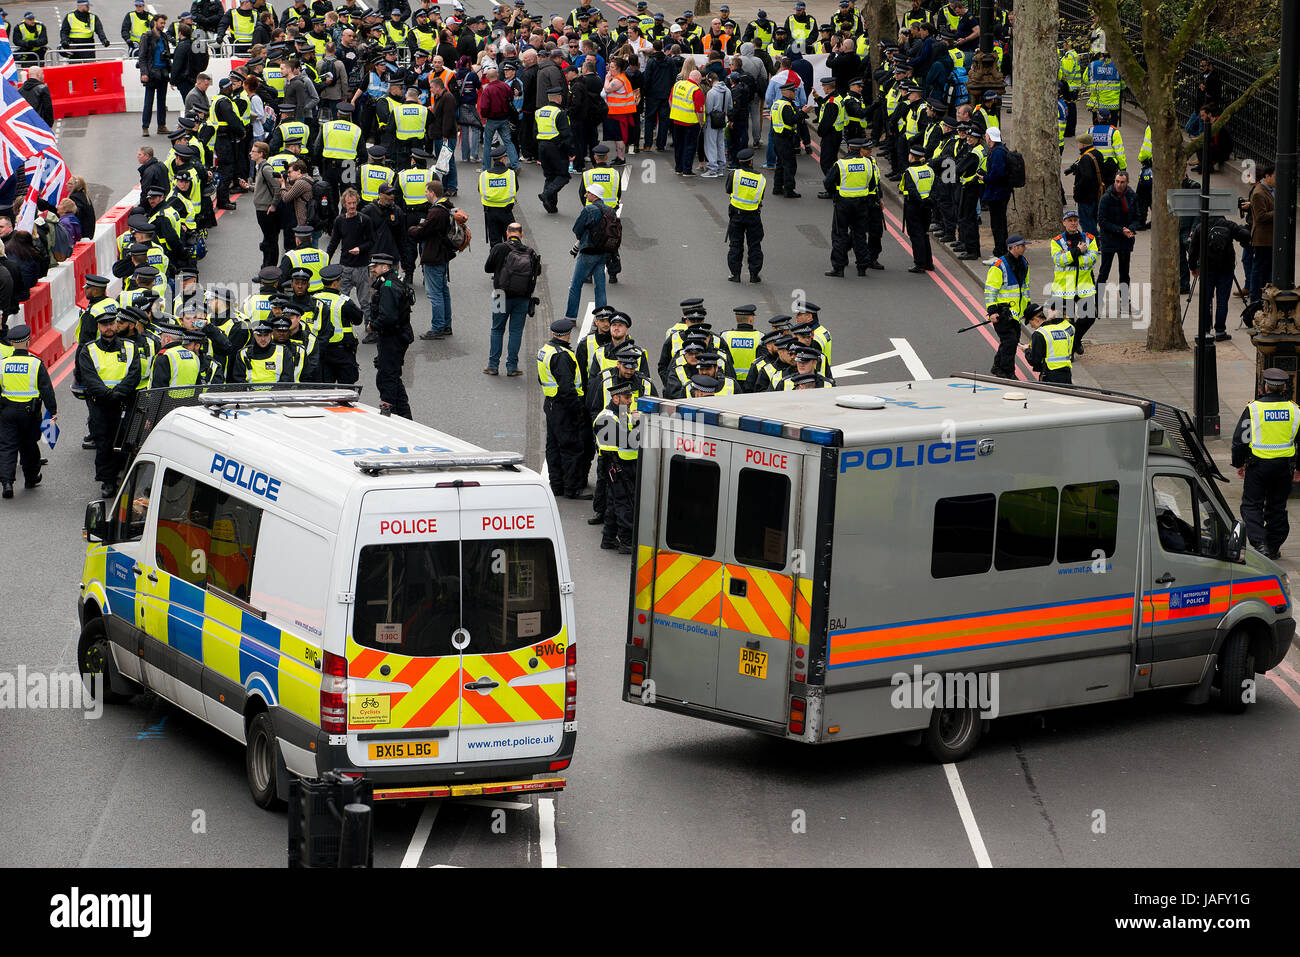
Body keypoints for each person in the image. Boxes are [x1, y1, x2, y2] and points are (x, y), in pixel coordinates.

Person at [1230, 368, 1298, 558]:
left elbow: (1240, 440)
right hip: (1283, 468)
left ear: (1265, 387)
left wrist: (1239, 464)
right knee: (1277, 507)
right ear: (1284, 387)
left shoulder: (1253, 408)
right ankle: (1273, 546)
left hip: (1257, 467)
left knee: (1251, 506)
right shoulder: (1295, 410)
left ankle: (1260, 544)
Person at [78, 311, 141, 499]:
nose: (108, 328)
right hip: (101, 404)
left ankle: (123, 474)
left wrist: (119, 393)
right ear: (99, 327)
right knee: (104, 442)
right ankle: (107, 480)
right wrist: (108, 394)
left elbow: (134, 373)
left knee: (124, 440)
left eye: (111, 323)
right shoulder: (88, 350)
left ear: (116, 324)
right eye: (104, 325)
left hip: (124, 402)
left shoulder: (130, 347)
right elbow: (89, 378)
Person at [0, 324, 56, 499]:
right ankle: (31, 478)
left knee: (7, 447)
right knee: (29, 445)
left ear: (12, 343)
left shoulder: (2, 364)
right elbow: (46, 389)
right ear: (27, 342)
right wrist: (52, 410)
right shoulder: (35, 363)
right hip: (29, 413)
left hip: (7, 412)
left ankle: (7, 483)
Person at [538, 317, 591, 499]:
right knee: (571, 447)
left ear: (554, 334)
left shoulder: (546, 351)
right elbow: (567, 387)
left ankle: (557, 485)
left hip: (551, 404)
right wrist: (577, 409)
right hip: (564, 406)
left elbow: (542, 378)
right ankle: (572, 488)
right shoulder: (562, 356)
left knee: (553, 446)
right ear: (568, 335)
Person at [483, 222, 540, 376]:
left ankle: (493, 365)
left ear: (507, 233)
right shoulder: (530, 252)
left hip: (500, 295)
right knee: (515, 332)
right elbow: (537, 271)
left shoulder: (499, 248)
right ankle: (512, 367)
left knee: (497, 329)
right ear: (521, 234)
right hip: (522, 298)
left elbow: (487, 268)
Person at [411, 180, 465, 341]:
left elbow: (423, 232)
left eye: (426, 191)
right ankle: (446, 325)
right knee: (443, 291)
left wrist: (412, 229)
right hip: (442, 255)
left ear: (432, 192)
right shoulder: (446, 207)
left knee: (435, 294)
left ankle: (438, 327)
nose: (425, 194)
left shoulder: (435, 211)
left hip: (433, 255)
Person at [1188, 212, 1252, 342]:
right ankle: (1220, 331)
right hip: (1226, 269)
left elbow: (1193, 250)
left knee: (1205, 299)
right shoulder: (1228, 225)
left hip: (1207, 269)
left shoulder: (1201, 227)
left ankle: (1205, 330)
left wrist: (1192, 267)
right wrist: (1244, 241)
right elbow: (1245, 235)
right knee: (1222, 301)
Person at [594, 377, 639, 552]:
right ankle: (627, 542)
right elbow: (629, 440)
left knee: (614, 503)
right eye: (627, 398)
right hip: (615, 466)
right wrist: (640, 425)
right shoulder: (606, 418)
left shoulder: (622, 414)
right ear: (616, 398)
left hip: (623, 465)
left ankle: (608, 538)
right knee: (625, 504)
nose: (630, 401)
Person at [366, 252, 414, 418]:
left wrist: (373, 325)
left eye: (375, 267)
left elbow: (388, 316)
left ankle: (388, 412)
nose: (373, 270)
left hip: (392, 337)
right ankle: (405, 416)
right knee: (392, 376)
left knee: (387, 377)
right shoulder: (393, 280)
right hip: (395, 336)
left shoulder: (387, 286)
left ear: (384, 267)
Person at [825, 138, 880, 277]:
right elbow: (873, 184)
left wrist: (836, 193)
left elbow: (828, 182)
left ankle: (839, 267)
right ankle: (862, 267)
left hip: (843, 204)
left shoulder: (841, 164)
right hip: (862, 204)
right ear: (859, 149)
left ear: (849, 148)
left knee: (839, 235)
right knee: (860, 235)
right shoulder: (868, 163)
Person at [1049, 210, 1099, 355]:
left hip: (1084, 286)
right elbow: (1059, 260)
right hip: (1064, 288)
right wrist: (1078, 251)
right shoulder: (1056, 241)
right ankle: (1068, 352)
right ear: (1064, 223)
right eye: (1070, 220)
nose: (1073, 223)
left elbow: (1093, 259)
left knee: (1089, 317)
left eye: (1075, 220)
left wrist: (1070, 256)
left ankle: (1075, 340)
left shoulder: (1089, 238)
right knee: (1066, 322)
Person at [983, 234, 1029, 379]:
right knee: (1010, 341)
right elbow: (990, 290)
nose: (1025, 248)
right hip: (1002, 312)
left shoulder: (1024, 262)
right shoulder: (998, 266)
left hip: (1016, 313)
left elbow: (1025, 288)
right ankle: (1009, 372)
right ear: (1014, 247)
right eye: (1022, 246)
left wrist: (1026, 309)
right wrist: (992, 312)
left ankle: (998, 367)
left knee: (1010, 341)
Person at [564, 185, 612, 321]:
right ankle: (602, 318)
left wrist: (582, 238)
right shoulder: (609, 210)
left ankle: (570, 317)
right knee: (600, 286)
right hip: (603, 252)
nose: (586, 195)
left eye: (589, 193)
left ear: (595, 195)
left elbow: (577, 228)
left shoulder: (589, 209)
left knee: (575, 285)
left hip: (588, 251)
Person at [1096, 170, 1139, 316]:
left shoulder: (1132, 196)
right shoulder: (1107, 197)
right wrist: (1121, 230)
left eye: (1122, 182)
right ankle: (1097, 302)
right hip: (1109, 239)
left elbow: (1137, 217)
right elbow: (1102, 221)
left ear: (1127, 183)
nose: (1119, 184)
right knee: (1104, 272)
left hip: (1125, 240)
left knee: (1124, 273)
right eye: (1117, 181)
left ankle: (1125, 301)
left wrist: (1131, 229)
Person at [314, 265, 364, 384]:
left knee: (325, 390)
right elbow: (358, 320)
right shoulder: (343, 302)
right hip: (342, 351)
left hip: (322, 350)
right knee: (346, 389)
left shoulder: (314, 299)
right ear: (335, 283)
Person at [724, 148, 765, 284]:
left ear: (740, 162)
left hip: (736, 215)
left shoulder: (734, 174)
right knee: (754, 245)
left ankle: (735, 275)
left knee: (735, 245)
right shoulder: (761, 179)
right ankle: (754, 275)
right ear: (751, 161)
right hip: (753, 215)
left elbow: (728, 190)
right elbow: (761, 197)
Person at [535, 85, 573, 213]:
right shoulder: (560, 113)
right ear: (558, 98)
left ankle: (551, 206)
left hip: (542, 147)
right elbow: (566, 135)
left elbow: (535, 131)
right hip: (556, 147)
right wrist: (571, 151)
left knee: (550, 176)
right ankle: (547, 194)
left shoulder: (539, 112)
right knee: (563, 176)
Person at [900, 145, 934, 273]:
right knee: (924, 234)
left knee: (916, 235)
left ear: (912, 156)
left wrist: (920, 202)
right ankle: (929, 263)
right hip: (927, 207)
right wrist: (929, 202)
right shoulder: (929, 169)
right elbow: (934, 187)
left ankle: (919, 264)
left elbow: (912, 191)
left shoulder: (910, 172)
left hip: (914, 207)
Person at [137, 15, 172, 137]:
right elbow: (142, 57)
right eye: (161, 23)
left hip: (163, 73)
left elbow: (167, 54)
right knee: (148, 102)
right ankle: (145, 127)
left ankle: (161, 126)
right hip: (151, 73)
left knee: (162, 101)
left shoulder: (164, 37)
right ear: (155, 22)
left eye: (164, 23)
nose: (163, 25)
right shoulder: (147, 37)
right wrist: (144, 73)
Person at [1023, 303, 1073, 385]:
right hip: (1066, 374)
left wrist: (1026, 350)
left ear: (1036, 319)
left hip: (1050, 375)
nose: (1031, 326)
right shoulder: (1062, 329)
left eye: (1030, 322)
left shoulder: (1039, 334)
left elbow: (1034, 361)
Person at [479, 145, 518, 247]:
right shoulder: (511, 174)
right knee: (511, 243)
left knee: (495, 244)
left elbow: (480, 189)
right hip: (507, 212)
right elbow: (516, 188)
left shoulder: (484, 175)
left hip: (490, 213)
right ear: (503, 159)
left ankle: (496, 262)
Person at [1248, 166, 1276, 307]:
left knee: (1267, 269)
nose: (1277, 180)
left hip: (1271, 238)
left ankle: (1265, 296)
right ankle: (1255, 299)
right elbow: (1260, 217)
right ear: (1267, 176)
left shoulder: (1272, 190)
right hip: (1262, 239)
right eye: (1275, 177)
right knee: (1259, 269)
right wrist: (1279, 211)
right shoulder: (1259, 192)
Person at [669, 68, 704, 176]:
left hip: (676, 120)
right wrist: (701, 122)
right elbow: (699, 110)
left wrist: (675, 111)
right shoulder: (696, 91)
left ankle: (678, 168)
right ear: (698, 79)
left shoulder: (678, 85)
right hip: (691, 123)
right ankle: (687, 170)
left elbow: (670, 100)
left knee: (678, 146)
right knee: (689, 147)